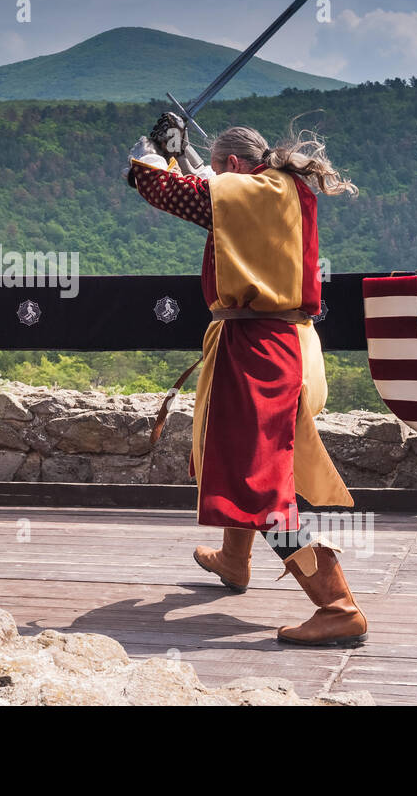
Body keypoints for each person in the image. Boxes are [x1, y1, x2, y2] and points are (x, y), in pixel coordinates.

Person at [126, 112, 368, 646]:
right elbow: (212, 191)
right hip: (282, 344)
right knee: (247, 460)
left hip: (260, 353)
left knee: (260, 482)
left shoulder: (255, 194)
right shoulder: (281, 189)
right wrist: (185, 154)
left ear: (236, 166)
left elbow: (176, 192)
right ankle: (235, 560)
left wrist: (148, 153)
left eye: (220, 171)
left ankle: (337, 605)